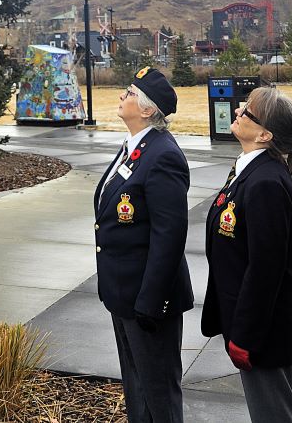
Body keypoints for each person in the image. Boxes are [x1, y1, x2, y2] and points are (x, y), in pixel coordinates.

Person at [201, 86, 292, 423]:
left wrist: (246, 336)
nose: (237, 112)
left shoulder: (265, 181)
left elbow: (266, 270)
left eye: (247, 111)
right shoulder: (251, 170)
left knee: (274, 413)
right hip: (251, 322)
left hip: (261, 329)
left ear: (265, 134)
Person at [94, 67, 193, 423]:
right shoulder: (135, 149)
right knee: (137, 390)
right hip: (124, 295)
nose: (123, 96)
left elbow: (169, 237)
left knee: (158, 394)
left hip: (148, 302)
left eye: (131, 93)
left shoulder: (163, 155)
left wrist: (151, 302)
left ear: (149, 110)